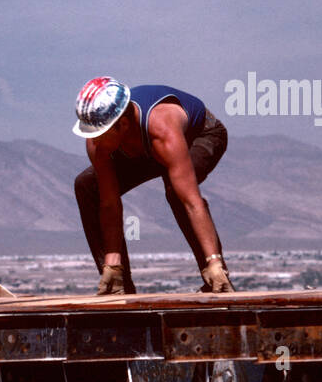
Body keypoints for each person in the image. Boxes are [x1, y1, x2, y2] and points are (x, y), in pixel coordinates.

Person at [72, 76, 234, 295]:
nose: (94, 140)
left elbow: (191, 201)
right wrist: (112, 262)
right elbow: (109, 204)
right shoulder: (98, 142)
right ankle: (118, 286)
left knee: (177, 191)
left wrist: (214, 261)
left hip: (199, 135)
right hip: (142, 148)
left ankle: (214, 278)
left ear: (123, 124)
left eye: (99, 134)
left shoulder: (163, 129)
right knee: (87, 186)